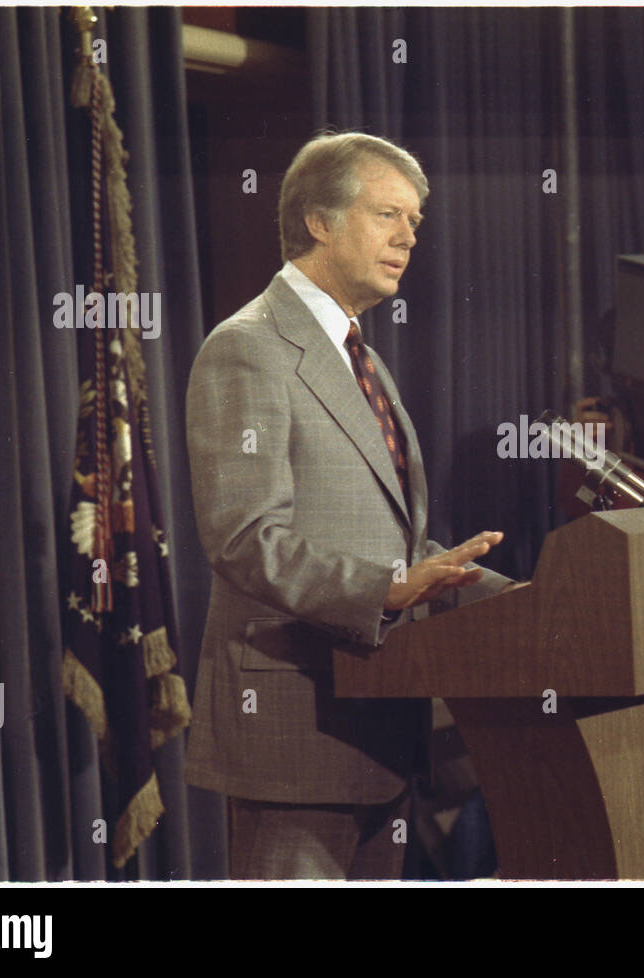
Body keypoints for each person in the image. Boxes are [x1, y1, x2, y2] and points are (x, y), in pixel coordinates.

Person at [183, 132, 513, 880]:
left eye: (415, 223)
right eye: (387, 215)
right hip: (296, 732)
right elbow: (243, 536)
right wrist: (384, 591)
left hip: (378, 732)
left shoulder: (359, 355)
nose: (408, 238)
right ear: (320, 222)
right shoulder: (249, 347)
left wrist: (534, 602)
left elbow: (392, 541)